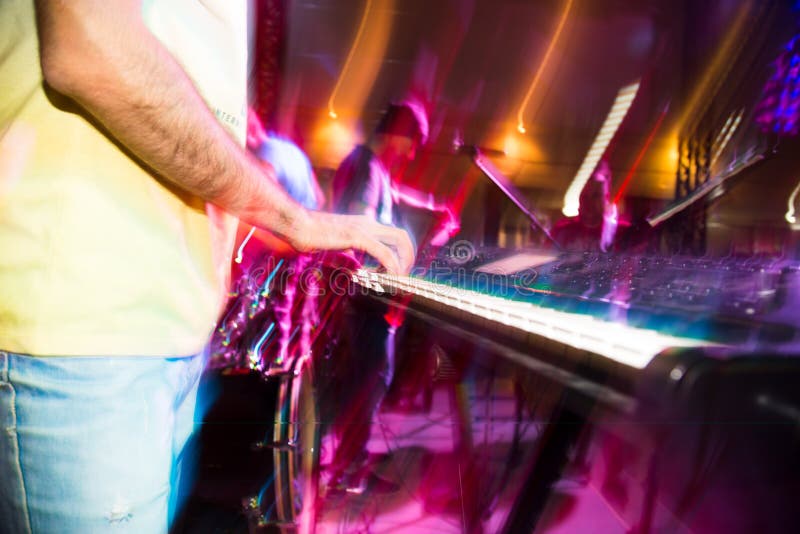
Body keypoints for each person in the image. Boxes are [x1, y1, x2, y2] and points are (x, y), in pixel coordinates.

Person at [0, 2, 413, 533]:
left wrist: (283, 230)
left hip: (164, 335)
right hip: (81, 328)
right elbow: (88, 45)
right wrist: (294, 218)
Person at [326, 100, 456, 494]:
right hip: (364, 296)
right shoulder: (367, 166)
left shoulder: (372, 167)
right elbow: (358, 218)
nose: (413, 153)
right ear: (400, 132)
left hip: (364, 296)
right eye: (413, 143)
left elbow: (398, 194)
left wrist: (434, 207)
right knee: (370, 380)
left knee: (367, 381)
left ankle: (351, 461)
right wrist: (400, 251)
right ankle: (347, 473)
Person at [551, 159, 627, 252]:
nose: (589, 202)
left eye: (595, 196)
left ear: (606, 197)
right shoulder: (563, 232)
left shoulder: (621, 234)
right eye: (584, 196)